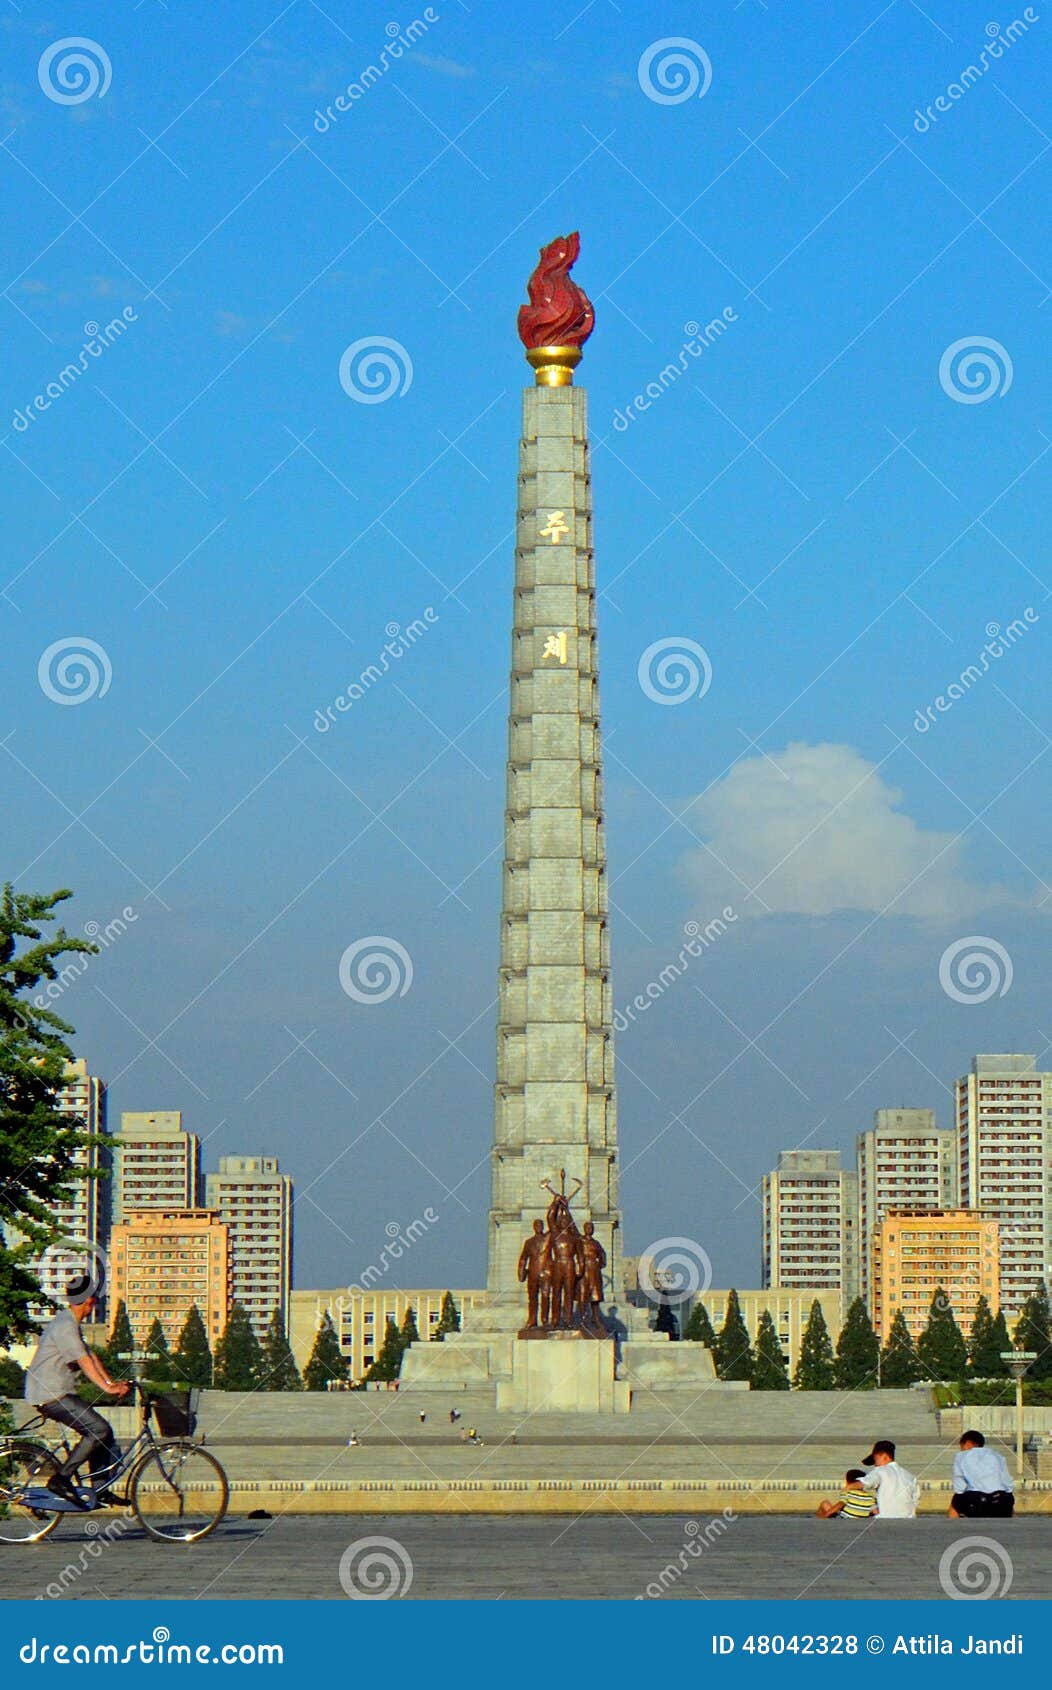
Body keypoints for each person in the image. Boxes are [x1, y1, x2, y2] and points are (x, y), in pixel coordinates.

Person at [24, 1275, 130, 1507]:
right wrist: (107, 1388)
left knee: (104, 1434)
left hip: (57, 1392)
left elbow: (89, 1355)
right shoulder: (65, 1327)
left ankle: (99, 1488)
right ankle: (61, 1479)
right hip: (51, 1394)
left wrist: (112, 1383)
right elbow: (84, 1361)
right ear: (90, 1301)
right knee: (98, 1429)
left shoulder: (69, 1322)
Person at [949, 1430, 1015, 1518]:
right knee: (1008, 1499)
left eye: (961, 1446)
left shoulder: (961, 1456)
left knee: (956, 1501)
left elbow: (959, 1487)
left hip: (977, 1501)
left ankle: (953, 1528)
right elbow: (1007, 1484)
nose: (961, 1449)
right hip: (1000, 1499)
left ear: (967, 1443)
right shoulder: (997, 1455)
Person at [858, 1439, 919, 1518]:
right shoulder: (911, 1477)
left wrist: (847, 1488)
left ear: (884, 1456)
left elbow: (863, 1484)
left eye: (875, 1460)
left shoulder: (880, 1470)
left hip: (886, 1522)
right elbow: (915, 1502)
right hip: (909, 1521)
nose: (875, 1465)